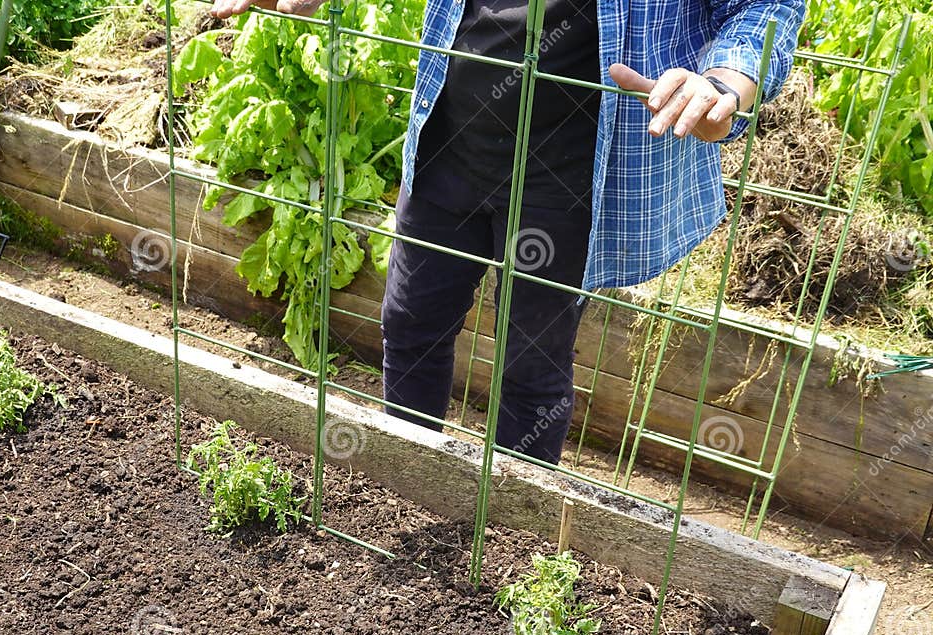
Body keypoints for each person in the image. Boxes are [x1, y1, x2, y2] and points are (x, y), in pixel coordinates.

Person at [211, 0, 806, 465]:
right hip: (452, 132)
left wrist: (726, 81)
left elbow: (767, 6)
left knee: (530, 366)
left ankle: (509, 546)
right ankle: (405, 493)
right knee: (411, 322)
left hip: (571, 167)